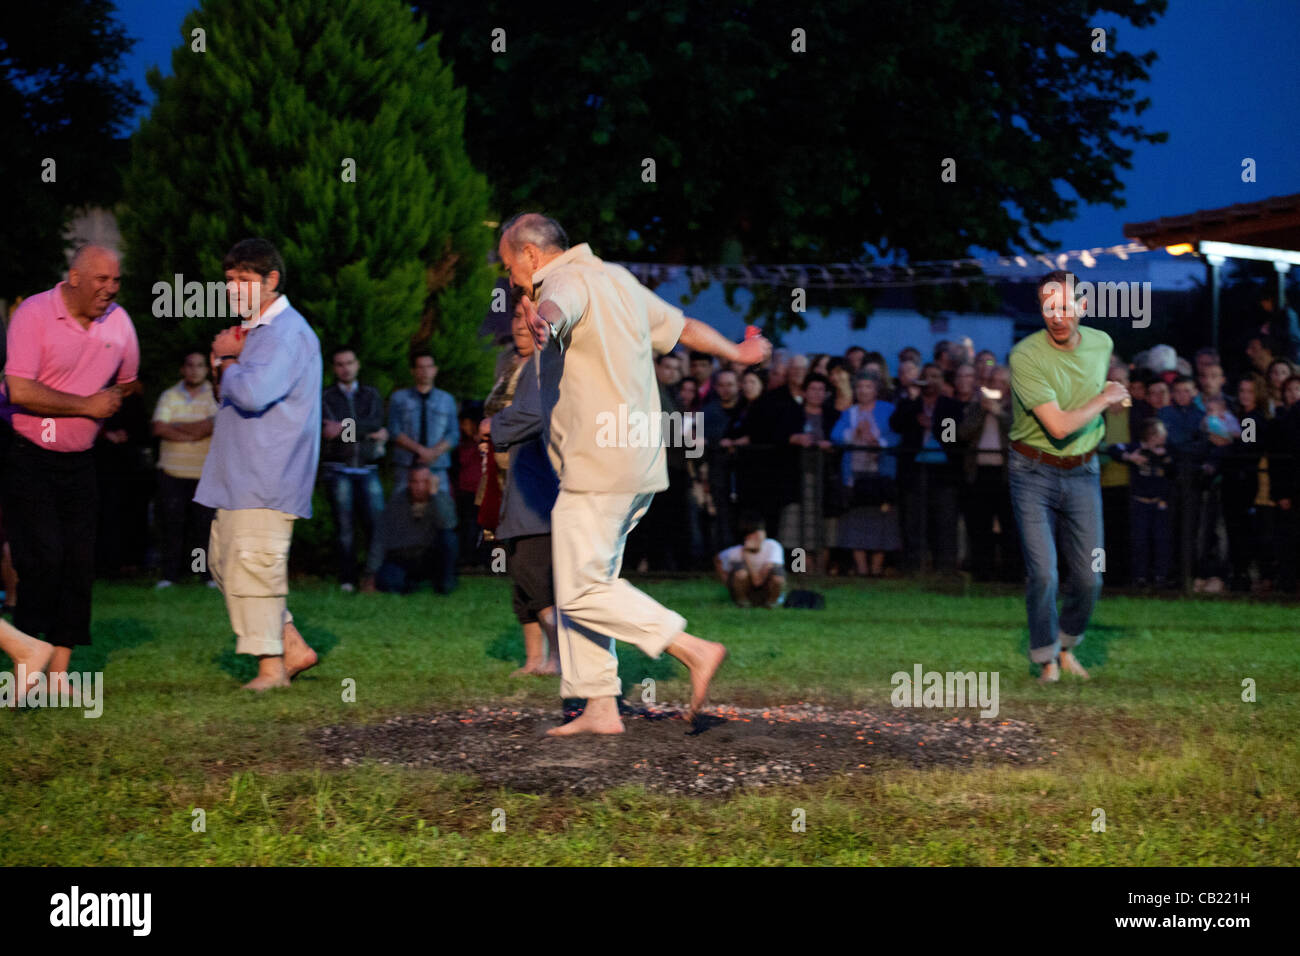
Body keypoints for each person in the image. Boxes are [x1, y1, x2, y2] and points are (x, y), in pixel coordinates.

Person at [500, 213, 770, 735]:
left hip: (597, 464)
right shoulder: (617, 279)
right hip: (635, 459)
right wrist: (738, 352)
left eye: (510, 264)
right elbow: (684, 327)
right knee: (589, 582)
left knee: (578, 591)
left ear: (532, 255)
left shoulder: (563, 280)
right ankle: (599, 706)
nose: (511, 278)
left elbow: (556, 310)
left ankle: (691, 648)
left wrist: (543, 322)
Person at [2, 245, 137, 692]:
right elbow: (19, 389)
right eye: (102, 279)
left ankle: (58, 675)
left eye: (116, 280)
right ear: (74, 277)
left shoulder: (118, 321)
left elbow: (130, 381)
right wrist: (86, 405)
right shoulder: (34, 314)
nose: (110, 289)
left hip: (81, 462)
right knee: (42, 559)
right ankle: (27, 661)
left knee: (79, 565)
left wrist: (116, 400)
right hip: (29, 456)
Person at [196, 238, 320, 692]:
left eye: (245, 280)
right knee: (228, 565)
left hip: (267, 476)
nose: (233, 289)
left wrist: (227, 357)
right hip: (237, 476)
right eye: (229, 280)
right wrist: (225, 361)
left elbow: (250, 393)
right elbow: (227, 394)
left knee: (253, 566)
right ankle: (290, 647)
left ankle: (271, 671)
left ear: (271, 281)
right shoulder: (256, 330)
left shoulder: (287, 331)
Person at [1007, 271, 1128, 683]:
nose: (1057, 316)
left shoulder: (1102, 343)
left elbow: (1100, 392)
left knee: (1090, 578)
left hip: (1084, 472)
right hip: (1031, 471)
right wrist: (1105, 398)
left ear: (1083, 307)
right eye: (1048, 307)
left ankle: (1067, 644)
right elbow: (1058, 427)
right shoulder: (1025, 355)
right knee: (1043, 573)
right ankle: (1046, 659)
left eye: (1064, 306)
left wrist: (1114, 398)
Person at [482, 309, 563, 675]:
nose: (518, 323)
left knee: (533, 568)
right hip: (506, 480)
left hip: (537, 482)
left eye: (525, 315)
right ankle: (538, 660)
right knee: (519, 570)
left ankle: (567, 657)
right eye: (513, 316)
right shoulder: (510, 365)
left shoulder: (547, 363)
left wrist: (494, 425)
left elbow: (534, 415)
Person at [388, 350, 458, 585]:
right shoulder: (400, 399)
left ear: (435, 370)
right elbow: (394, 431)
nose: (424, 371)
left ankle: (443, 575)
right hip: (406, 467)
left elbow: (453, 434)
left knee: (443, 518)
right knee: (403, 518)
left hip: (437, 469)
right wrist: (419, 450)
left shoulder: (446, 400)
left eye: (429, 366)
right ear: (413, 371)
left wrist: (433, 453)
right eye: (420, 367)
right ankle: (406, 573)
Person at [320, 346, 388, 592]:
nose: (345, 368)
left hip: (368, 467)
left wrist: (344, 428)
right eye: (340, 364)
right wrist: (366, 432)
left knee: (375, 525)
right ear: (334, 368)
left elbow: (376, 422)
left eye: (349, 362)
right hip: (339, 468)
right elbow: (328, 431)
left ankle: (373, 577)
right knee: (345, 528)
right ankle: (347, 579)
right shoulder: (326, 397)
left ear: (357, 364)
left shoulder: (370, 394)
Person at [151, 350, 218, 588]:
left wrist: (177, 427)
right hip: (172, 472)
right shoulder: (170, 395)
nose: (194, 370)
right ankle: (170, 575)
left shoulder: (215, 395)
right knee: (171, 526)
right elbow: (159, 428)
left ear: (206, 369)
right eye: (190, 365)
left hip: (204, 474)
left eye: (200, 365)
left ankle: (204, 574)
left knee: (204, 528)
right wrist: (197, 430)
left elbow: (212, 426)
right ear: (183, 369)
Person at [831, 371, 901, 576]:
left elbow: (896, 435)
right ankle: (861, 567)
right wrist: (854, 434)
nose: (863, 391)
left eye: (868, 387)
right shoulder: (849, 413)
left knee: (882, 520)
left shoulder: (888, 410)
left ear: (876, 390)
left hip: (881, 475)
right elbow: (836, 435)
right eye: (860, 387)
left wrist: (876, 441)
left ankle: (876, 567)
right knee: (855, 520)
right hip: (855, 475)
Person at [361, 467, 458, 593]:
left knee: (449, 538)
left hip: (429, 556)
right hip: (402, 557)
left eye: (424, 482)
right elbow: (380, 538)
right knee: (388, 582)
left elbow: (447, 524)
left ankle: (445, 584)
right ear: (408, 483)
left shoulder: (442, 499)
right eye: (415, 482)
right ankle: (409, 585)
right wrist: (371, 573)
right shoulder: (396, 503)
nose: (419, 487)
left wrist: (434, 496)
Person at [1110, 418, 1176, 589]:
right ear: (1151, 435)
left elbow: (1174, 472)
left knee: (1161, 540)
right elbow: (1114, 449)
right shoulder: (1136, 448)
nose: (1164, 437)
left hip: (1159, 503)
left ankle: (1161, 576)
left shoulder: (1166, 451)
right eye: (1161, 434)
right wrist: (1130, 457)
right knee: (1139, 540)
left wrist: (1164, 457)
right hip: (1139, 502)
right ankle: (1139, 576)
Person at [714, 512, 785, 607]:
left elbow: (758, 580)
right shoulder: (736, 551)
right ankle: (742, 602)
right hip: (747, 589)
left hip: (765, 587)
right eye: (754, 533)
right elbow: (718, 559)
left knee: (777, 574)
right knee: (741, 572)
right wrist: (727, 582)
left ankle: (772, 602)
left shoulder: (773, 546)